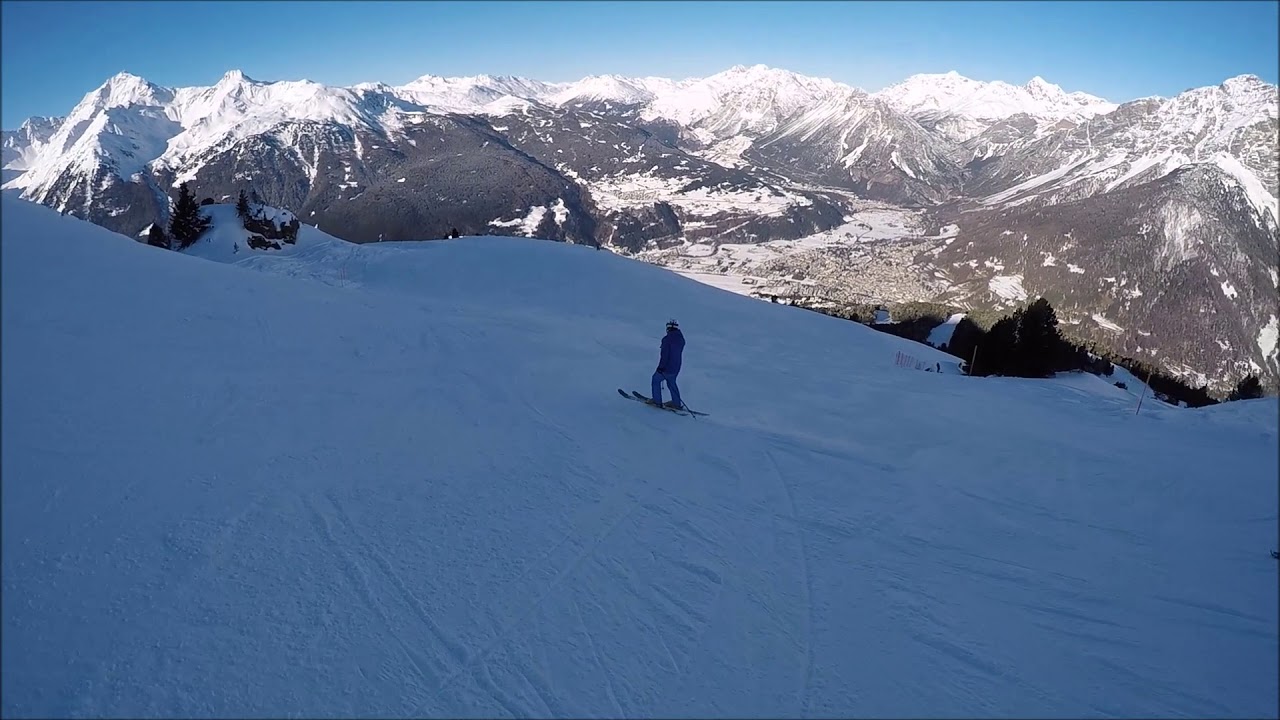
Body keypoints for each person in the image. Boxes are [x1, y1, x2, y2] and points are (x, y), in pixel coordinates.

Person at [650, 319, 685, 409]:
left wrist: (661, 368)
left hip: (667, 368)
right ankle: (676, 403)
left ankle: (657, 401)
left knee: (655, 380)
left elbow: (665, 355)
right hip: (676, 367)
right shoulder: (681, 339)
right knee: (671, 383)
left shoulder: (667, 339)